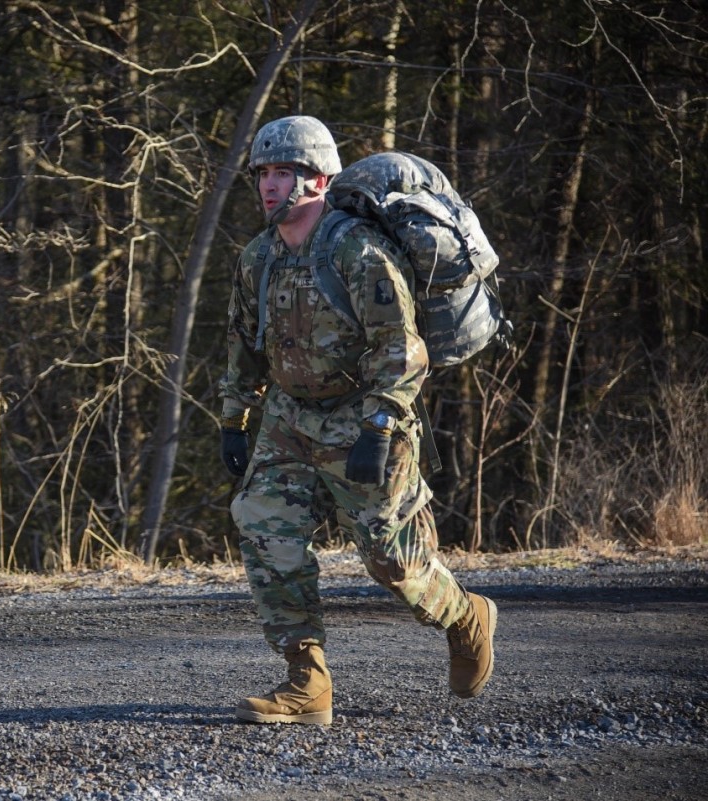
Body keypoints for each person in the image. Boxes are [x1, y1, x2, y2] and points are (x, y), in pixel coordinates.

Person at [218, 115, 496, 726]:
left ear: (318, 180)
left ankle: (465, 616)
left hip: (363, 414)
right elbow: (244, 343)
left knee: (392, 561)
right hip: (289, 417)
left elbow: (402, 349)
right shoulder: (258, 256)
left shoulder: (359, 251)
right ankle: (306, 681)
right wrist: (235, 418)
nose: (268, 185)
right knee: (264, 528)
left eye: (283, 172)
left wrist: (381, 426)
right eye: (262, 173)